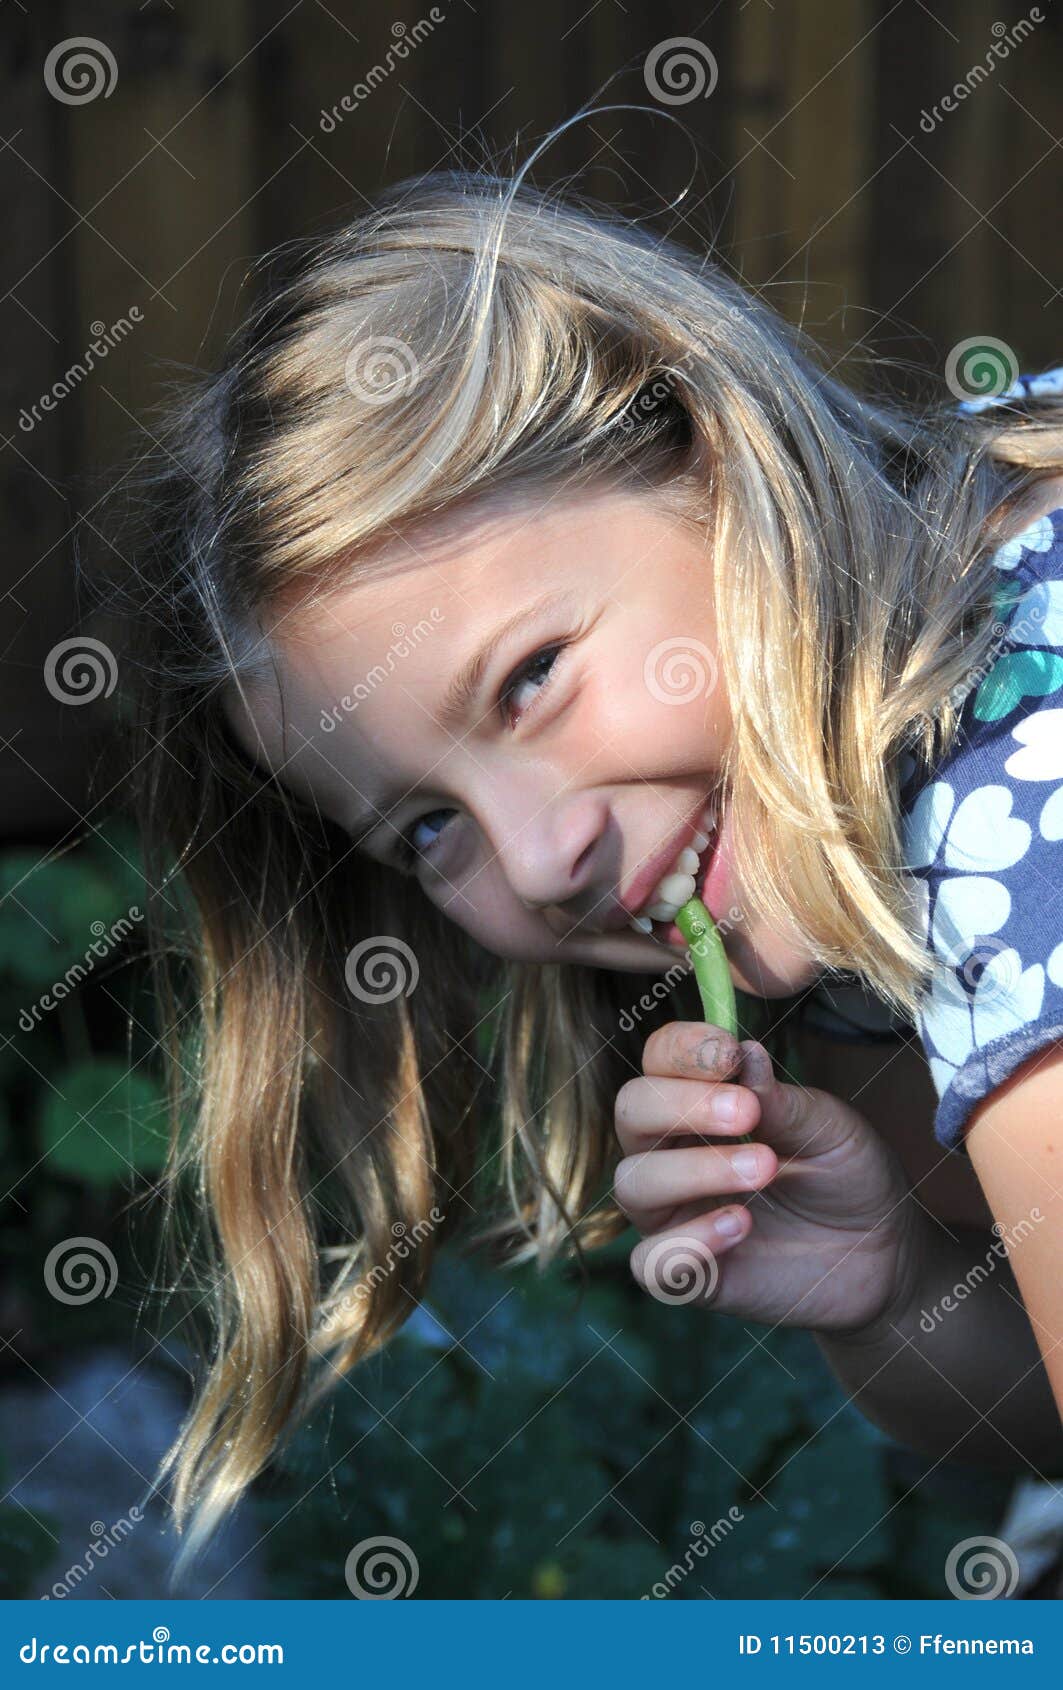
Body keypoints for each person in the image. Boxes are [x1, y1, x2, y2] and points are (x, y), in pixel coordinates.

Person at [98, 159, 1063, 1577]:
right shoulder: (907, 628)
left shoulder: (1004, 806)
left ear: (705, 447)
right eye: (428, 828)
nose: (544, 857)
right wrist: (894, 1285)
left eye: (532, 678)